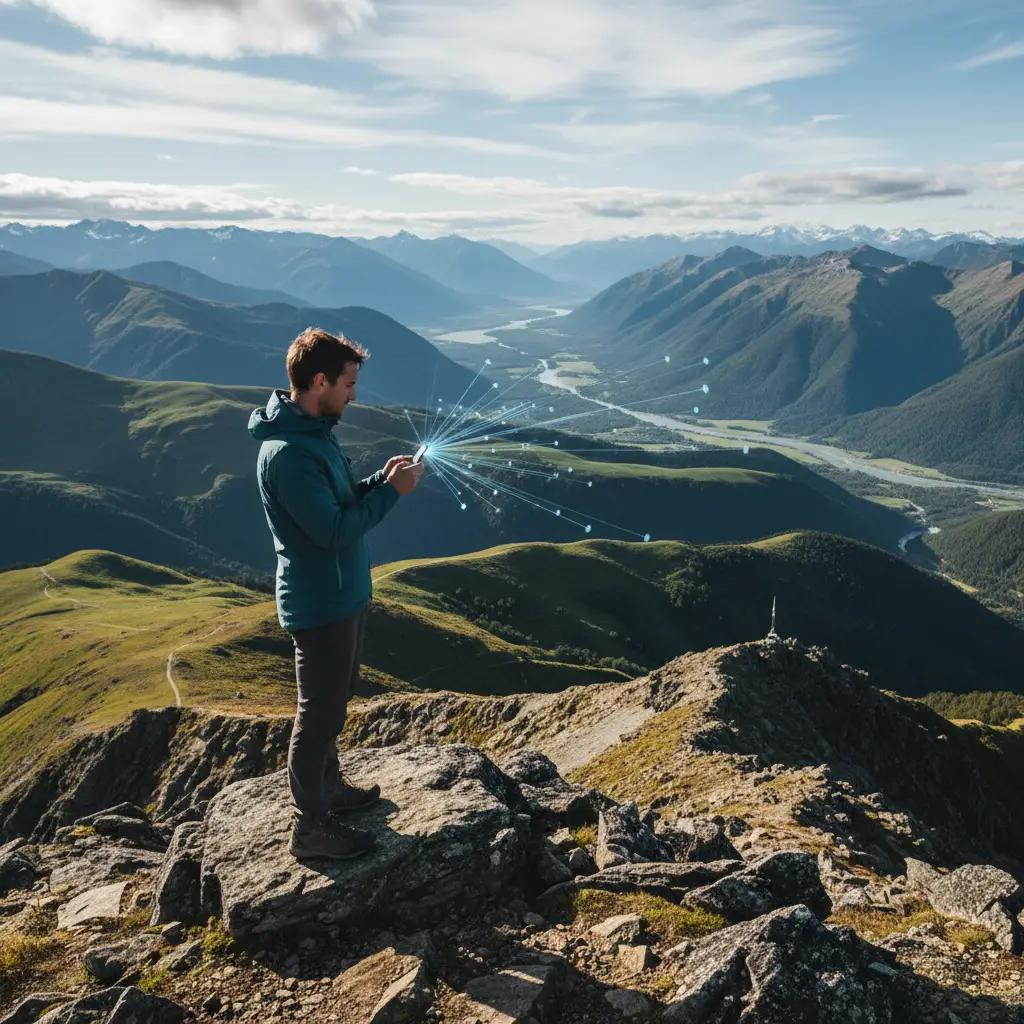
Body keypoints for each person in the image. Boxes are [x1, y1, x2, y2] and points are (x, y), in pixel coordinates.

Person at [248, 327, 423, 861]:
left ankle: (329, 791)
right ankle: (310, 830)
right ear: (319, 381)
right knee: (317, 716)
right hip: (320, 603)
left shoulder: (313, 434)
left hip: (341, 595)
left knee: (333, 704)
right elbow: (332, 531)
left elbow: (339, 502)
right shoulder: (289, 455)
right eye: (348, 384)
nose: (354, 395)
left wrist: (379, 481)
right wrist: (393, 495)